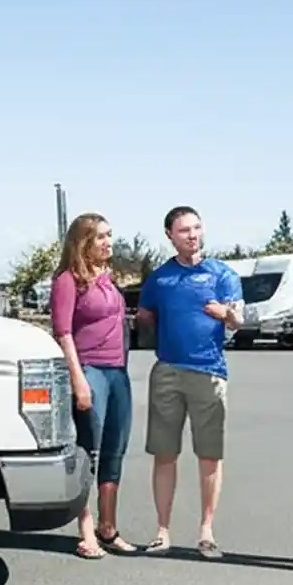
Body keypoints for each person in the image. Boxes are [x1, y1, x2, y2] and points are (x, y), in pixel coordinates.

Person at [134, 206, 243, 559]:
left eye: (196, 228)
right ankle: (162, 531)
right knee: (165, 453)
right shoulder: (159, 279)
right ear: (170, 235)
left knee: (209, 455)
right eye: (184, 230)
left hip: (209, 371)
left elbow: (239, 320)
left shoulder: (222, 274)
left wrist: (225, 314)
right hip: (167, 371)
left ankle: (206, 531)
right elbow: (145, 317)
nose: (192, 235)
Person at [49, 213, 137, 559]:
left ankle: (109, 528)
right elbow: (63, 332)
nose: (108, 242)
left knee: (116, 448)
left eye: (109, 235)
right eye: (100, 236)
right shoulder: (68, 281)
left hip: (117, 371)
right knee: (91, 450)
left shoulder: (108, 279)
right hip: (90, 369)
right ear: (83, 241)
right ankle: (86, 529)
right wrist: (78, 380)